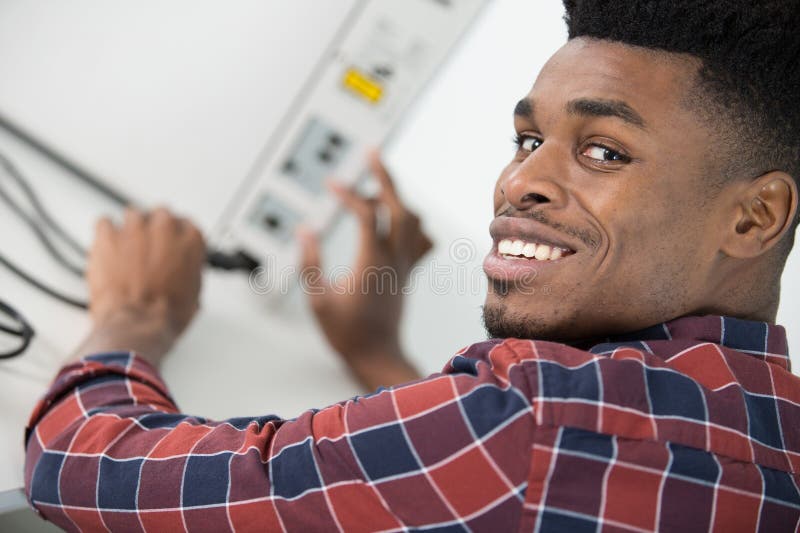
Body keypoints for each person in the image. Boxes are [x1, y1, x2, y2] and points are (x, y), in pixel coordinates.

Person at [23, 0, 800, 530]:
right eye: (528, 140)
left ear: (754, 216)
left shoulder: (522, 427)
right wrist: (377, 355)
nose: (520, 181)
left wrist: (136, 316)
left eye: (603, 150)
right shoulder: (776, 432)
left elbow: (76, 464)